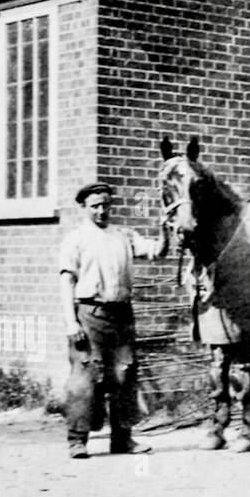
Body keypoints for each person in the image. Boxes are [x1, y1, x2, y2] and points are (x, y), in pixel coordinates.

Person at [59, 182, 168, 459]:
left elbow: (157, 250)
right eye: (95, 206)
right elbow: (66, 282)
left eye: (106, 205)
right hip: (89, 314)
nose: (101, 210)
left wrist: (165, 228)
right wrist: (71, 323)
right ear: (84, 208)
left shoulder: (123, 236)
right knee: (85, 376)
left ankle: (123, 439)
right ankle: (77, 440)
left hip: (121, 314)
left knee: (125, 374)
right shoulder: (75, 239)